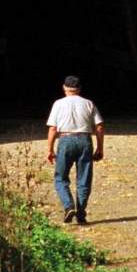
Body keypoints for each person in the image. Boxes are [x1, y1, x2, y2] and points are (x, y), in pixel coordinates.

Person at [45, 75, 105, 225]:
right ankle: (81, 214)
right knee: (84, 179)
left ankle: (68, 206)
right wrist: (100, 148)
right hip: (85, 140)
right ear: (79, 89)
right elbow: (99, 126)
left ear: (64, 88)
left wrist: (50, 149)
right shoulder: (89, 103)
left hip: (65, 140)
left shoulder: (58, 104)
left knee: (60, 178)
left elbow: (53, 128)